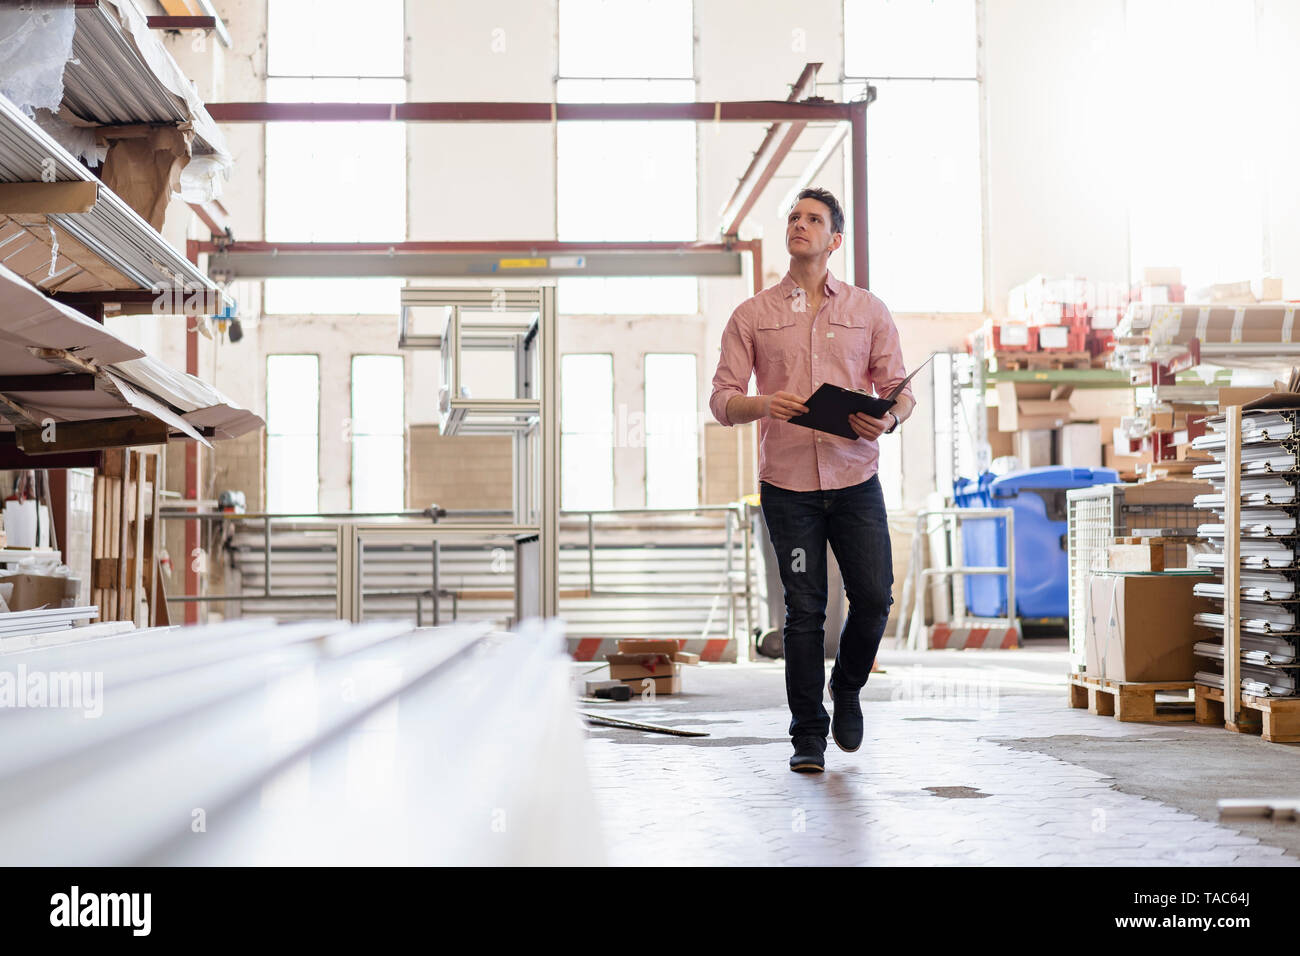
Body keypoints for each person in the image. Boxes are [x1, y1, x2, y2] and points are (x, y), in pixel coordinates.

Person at [708, 187, 916, 773]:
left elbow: (900, 390)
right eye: (794, 217)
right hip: (789, 485)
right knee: (805, 610)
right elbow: (722, 400)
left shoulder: (868, 310)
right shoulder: (753, 315)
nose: (800, 224)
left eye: (813, 219)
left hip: (855, 478)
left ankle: (846, 687)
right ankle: (807, 736)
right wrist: (764, 405)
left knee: (874, 597)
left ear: (835, 239)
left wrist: (887, 420)